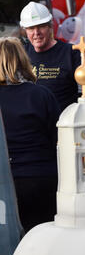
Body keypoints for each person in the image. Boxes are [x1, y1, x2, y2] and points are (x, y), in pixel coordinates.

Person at [0, 37, 60, 233]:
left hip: (6, 182)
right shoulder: (42, 94)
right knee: (43, 242)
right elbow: (57, 140)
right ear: (23, 60)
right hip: (42, 178)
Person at [20, 1, 85, 113]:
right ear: (25, 31)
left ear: (50, 26)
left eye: (41, 26)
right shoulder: (21, 53)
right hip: (31, 124)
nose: (36, 33)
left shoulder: (71, 53)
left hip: (64, 124)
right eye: (31, 28)